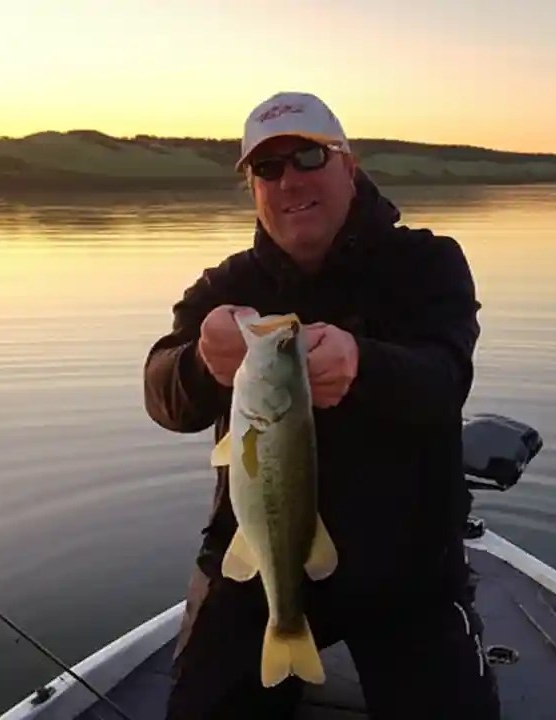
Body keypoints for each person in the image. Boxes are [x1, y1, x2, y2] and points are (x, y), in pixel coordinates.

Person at [143, 91, 498, 720]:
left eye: (309, 156)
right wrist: (201, 363)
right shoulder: (224, 288)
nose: (290, 181)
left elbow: (445, 378)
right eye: (268, 168)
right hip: (258, 566)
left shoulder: (426, 264)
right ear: (252, 187)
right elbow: (164, 397)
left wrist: (366, 364)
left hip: (407, 571)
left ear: (349, 165)